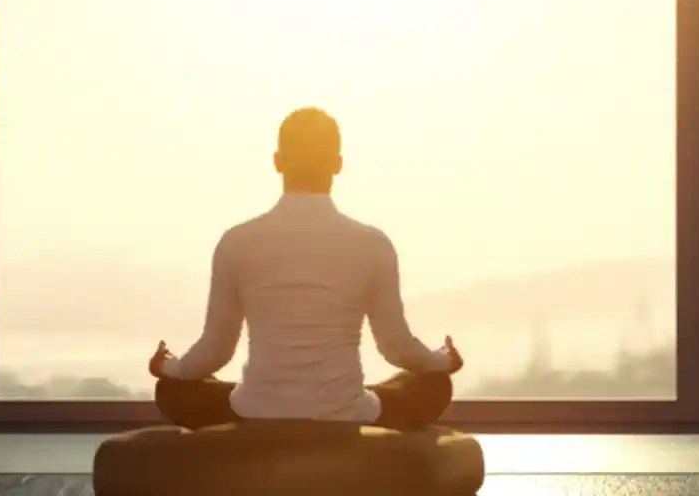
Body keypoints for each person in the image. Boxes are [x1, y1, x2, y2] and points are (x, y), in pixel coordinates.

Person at [149, 107, 463, 431]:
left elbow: (215, 351)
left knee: (172, 390)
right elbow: (396, 346)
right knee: (435, 385)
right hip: (346, 412)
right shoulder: (373, 244)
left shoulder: (236, 242)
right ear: (338, 164)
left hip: (255, 410)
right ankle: (350, 401)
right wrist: (441, 361)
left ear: (277, 161)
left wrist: (172, 368)